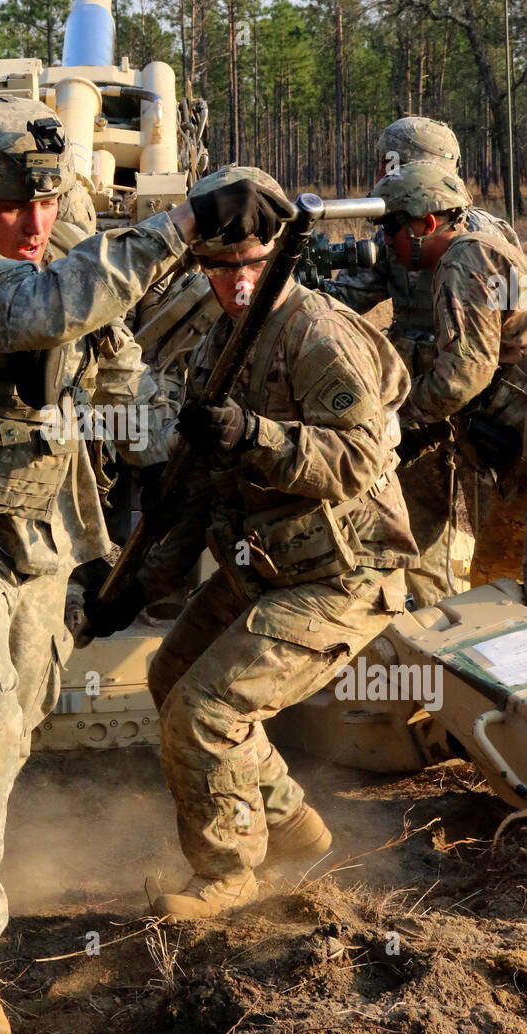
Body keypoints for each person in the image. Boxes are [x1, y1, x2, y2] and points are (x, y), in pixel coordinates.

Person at [0, 95, 279, 1034]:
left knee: (20, 723)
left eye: (50, 201)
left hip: (45, 535)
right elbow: (46, 311)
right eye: (16, 203)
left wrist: (202, 433)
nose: (38, 221)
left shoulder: (58, 270)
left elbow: (116, 378)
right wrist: (178, 226)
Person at [84, 166, 419, 921]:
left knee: (205, 710)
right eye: (218, 269)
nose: (235, 284)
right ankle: (293, 825)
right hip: (265, 562)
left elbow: (357, 462)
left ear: (278, 260)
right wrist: (134, 588)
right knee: (171, 674)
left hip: (342, 572)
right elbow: (197, 493)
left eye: (250, 269)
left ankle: (230, 874)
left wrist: (254, 435)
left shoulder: (315, 333)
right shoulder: (218, 347)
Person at [323, 117, 519, 606]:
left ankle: (486, 630)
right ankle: (435, 617)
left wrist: (399, 419)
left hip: (473, 405)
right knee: (418, 517)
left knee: (497, 525)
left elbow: (480, 358)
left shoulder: (454, 244)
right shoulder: (411, 229)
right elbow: (354, 293)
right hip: (435, 397)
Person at [372, 161, 527, 585]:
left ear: (427, 223)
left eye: (391, 228)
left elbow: (465, 374)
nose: (386, 242)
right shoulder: (484, 250)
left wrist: (394, 419)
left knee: (501, 587)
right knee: (499, 581)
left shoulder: (464, 263)